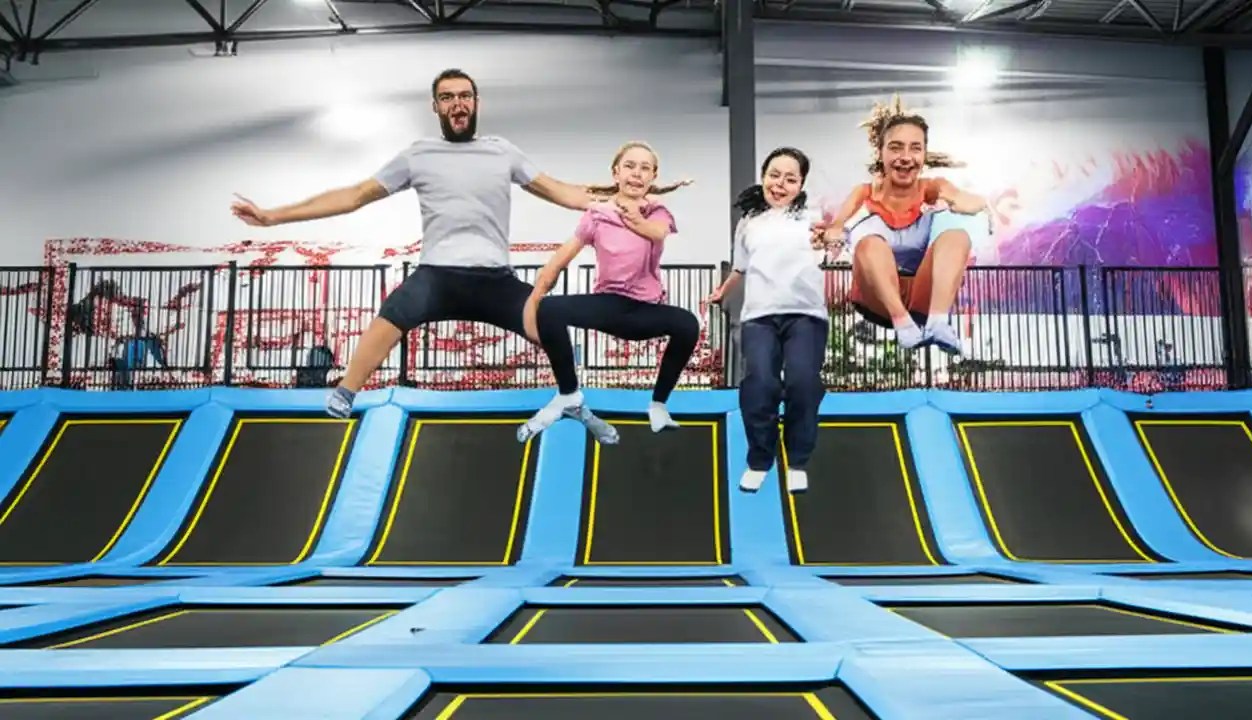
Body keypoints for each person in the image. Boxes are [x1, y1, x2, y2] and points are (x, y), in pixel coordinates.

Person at [230, 68, 609, 433]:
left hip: (495, 279)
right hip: (437, 276)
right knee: (393, 313)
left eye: (464, 96)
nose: (457, 104)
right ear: (436, 107)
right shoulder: (418, 154)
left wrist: (621, 199)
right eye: (447, 98)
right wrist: (273, 216)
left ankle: (572, 397)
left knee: (550, 321)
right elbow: (355, 195)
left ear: (476, 102)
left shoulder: (502, 151)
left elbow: (562, 191)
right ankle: (345, 391)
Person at [518, 141, 697, 444]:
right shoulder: (596, 217)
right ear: (616, 173)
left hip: (644, 311)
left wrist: (634, 216)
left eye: (644, 168)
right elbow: (560, 259)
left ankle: (658, 405)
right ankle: (568, 394)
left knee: (688, 324)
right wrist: (534, 302)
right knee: (550, 308)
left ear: (653, 177)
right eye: (629, 166)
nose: (636, 173)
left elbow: (657, 233)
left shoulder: (657, 212)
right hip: (608, 306)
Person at [823, 95, 989, 355]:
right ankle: (903, 325)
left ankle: (937, 322)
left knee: (957, 235)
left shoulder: (934, 189)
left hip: (920, 295)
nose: (905, 157)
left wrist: (971, 204)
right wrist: (833, 234)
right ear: (881, 152)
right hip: (875, 299)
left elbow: (971, 200)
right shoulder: (864, 194)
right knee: (870, 245)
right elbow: (837, 225)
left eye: (915, 148)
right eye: (896, 148)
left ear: (924, 154)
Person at [708, 147, 829, 495]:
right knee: (760, 384)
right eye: (774, 175)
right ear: (763, 177)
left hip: (805, 314)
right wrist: (723, 290)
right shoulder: (749, 222)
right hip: (759, 316)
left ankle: (797, 459)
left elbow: (832, 240)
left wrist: (831, 239)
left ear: (801, 184)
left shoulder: (813, 215)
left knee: (803, 382)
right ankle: (761, 458)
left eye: (790, 179)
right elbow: (741, 268)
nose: (780, 184)